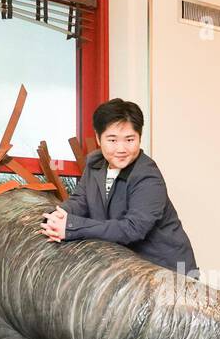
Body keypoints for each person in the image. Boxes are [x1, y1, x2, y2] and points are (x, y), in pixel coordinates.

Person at [39, 99, 198, 277]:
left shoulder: (147, 176)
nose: (121, 148)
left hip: (168, 272)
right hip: (128, 268)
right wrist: (58, 216)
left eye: (129, 139)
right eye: (112, 140)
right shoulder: (95, 163)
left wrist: (71, 226)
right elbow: (80, 200)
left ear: (139, 137)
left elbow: (132, 229)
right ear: (98, 138)